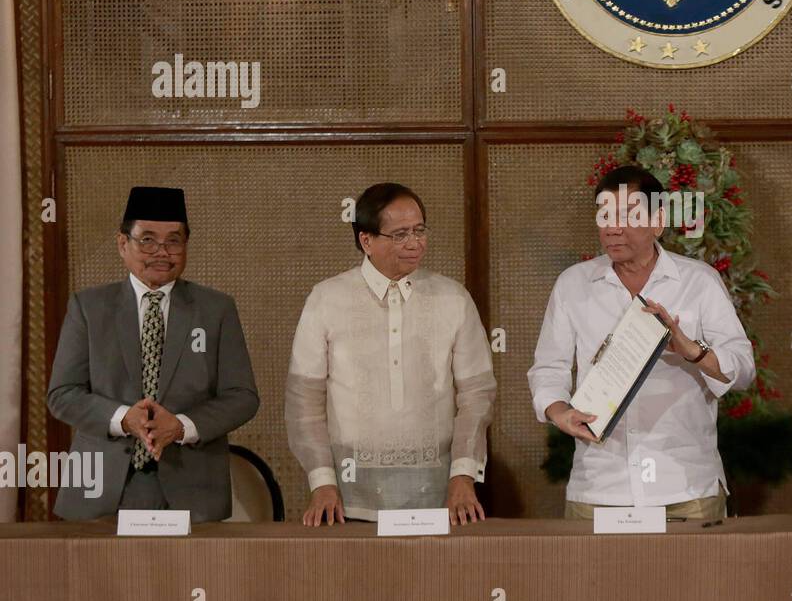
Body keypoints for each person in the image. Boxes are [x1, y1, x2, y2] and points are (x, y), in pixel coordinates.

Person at [528, 165, 755, 521]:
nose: (613, 228)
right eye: (605, 216)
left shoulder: (698, 282)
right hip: (599, 486)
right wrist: (559, 412)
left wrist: (692, 350)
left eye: (627, 217)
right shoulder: (573, 284)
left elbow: (742, 370)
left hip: (686, 486)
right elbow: (548, 368)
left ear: (658, 220)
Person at [286, 183, 496, 526]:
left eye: (419, 230)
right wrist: (322, 481)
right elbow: (303, 403)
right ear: (366, 240)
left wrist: (463, 475)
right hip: (347, 499)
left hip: (441, 497)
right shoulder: (326, 299)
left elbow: (477, 395)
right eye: (400, 235)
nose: (414, 243)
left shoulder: (452, 298)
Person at [48, 186, 259, 522]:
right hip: (101, 488)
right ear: (123, 244)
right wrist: (123, 418)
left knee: (192, 577)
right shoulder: (89, 308)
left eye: (173, 241)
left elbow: (243, 397)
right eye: (147, 240)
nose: (162, 252)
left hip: (192, 486)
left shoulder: (216, 309)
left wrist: (181, 426)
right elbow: (62, 394)